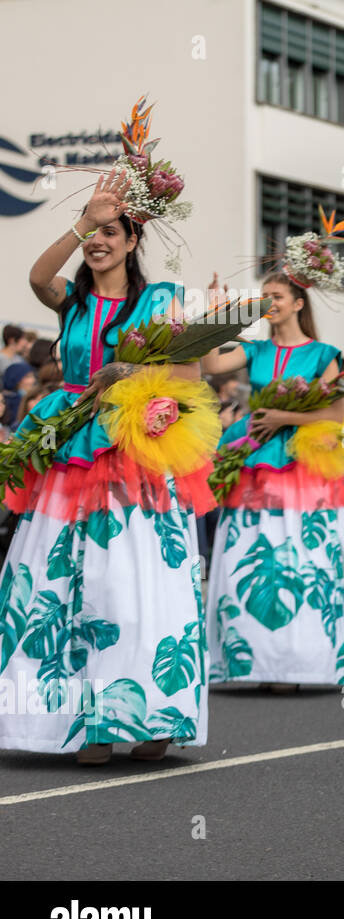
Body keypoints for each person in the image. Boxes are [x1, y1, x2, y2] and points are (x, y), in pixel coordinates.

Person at [1, 171, 212, 764]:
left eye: (111, 232)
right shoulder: (70, 298)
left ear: (132, 239)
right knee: (58, 578)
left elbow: (190, 378)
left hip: (133, 449)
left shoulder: (162, 301)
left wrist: (134, 378)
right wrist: (83, 218)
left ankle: (145, 717)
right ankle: (76, 720)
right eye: (95, 232)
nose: (99, 241)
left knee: (130, 582)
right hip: (67, 448)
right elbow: (37, 276)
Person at [202, 270, 344, 689]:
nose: (269, 301)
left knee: (302, 558)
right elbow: (210, 364)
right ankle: (260, 659)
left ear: (299, 303)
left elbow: (336, 415)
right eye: (264, 296)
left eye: (277, 295)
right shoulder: (257, 349)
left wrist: (285, 417)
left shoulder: (322, 353)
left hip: (301, 463)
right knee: (250, 551)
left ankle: (300, 659)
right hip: (253, 457)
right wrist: (214, 314)